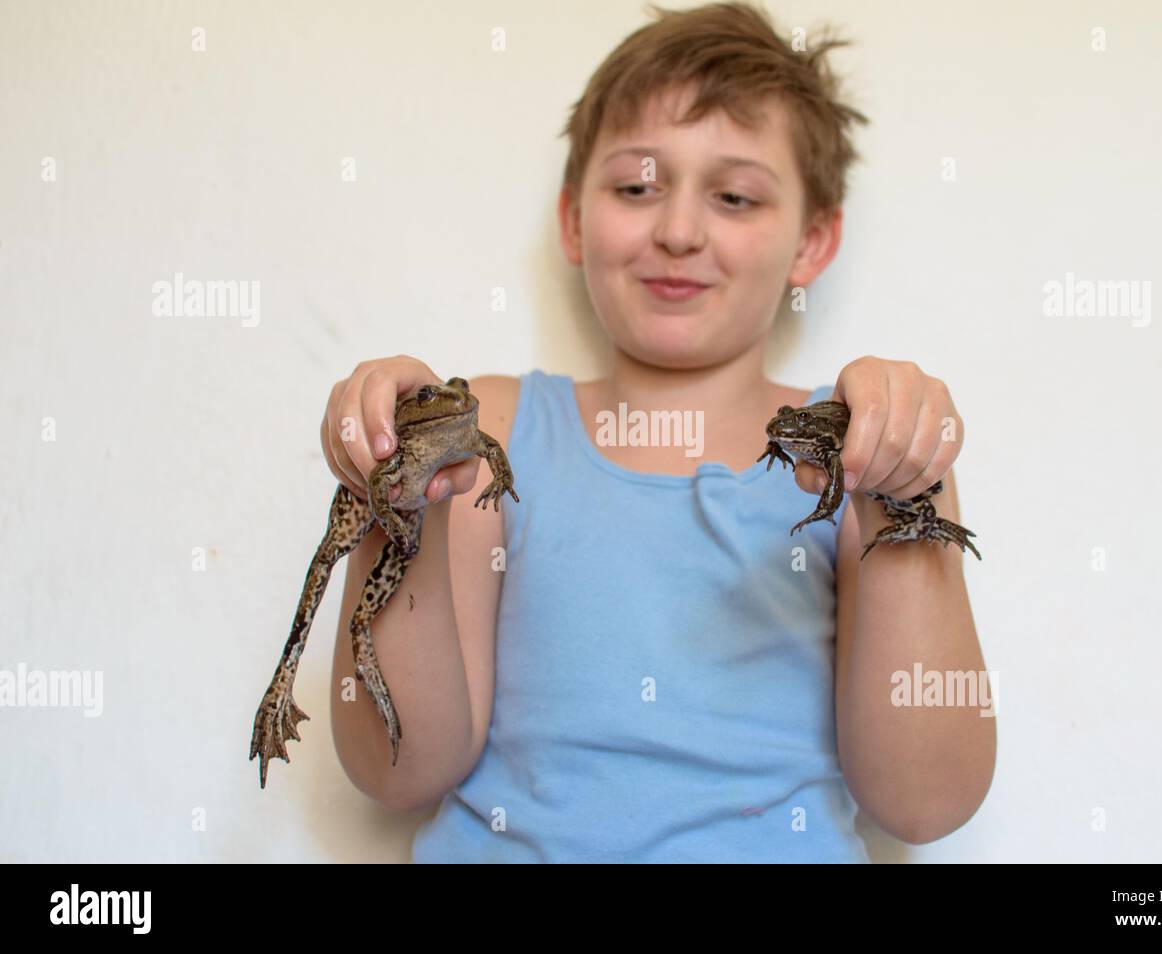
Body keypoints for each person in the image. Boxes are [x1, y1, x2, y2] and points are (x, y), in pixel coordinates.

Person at [321, 1, 994, 862]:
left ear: (812, 242)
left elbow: (926, 803)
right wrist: (396, 486)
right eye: (637, 187)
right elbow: (395, 769)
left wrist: (905, 490)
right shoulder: (487, 427)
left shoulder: (867, 447)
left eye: (736, 196)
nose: (678, 230)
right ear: (573, 219)